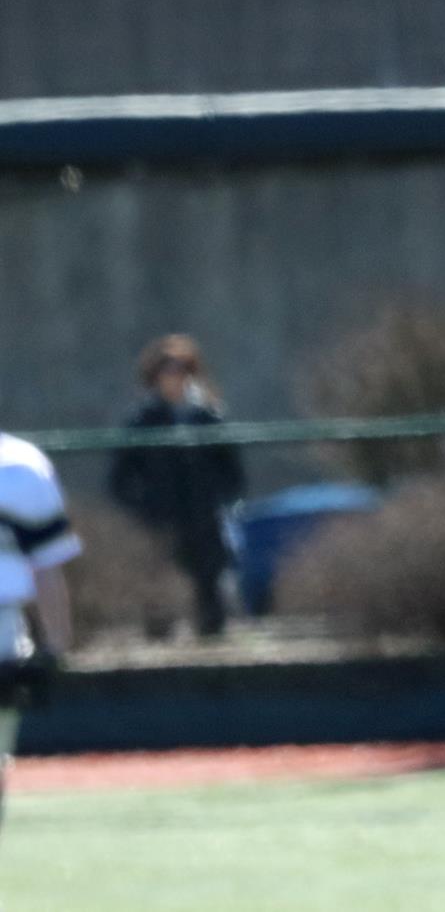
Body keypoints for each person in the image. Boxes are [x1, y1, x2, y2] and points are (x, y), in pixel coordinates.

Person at [109, 334, 245, 637]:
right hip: (161, 518)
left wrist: (219, 499)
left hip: (204, 516)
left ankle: (211, 636)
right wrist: (143, 505)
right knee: (161, 586)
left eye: (181, 370)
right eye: (167, 371)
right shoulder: (143, 421)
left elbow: (231, 470)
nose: (174, 378)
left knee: (208, 580)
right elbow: (120, 477)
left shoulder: (208, 417)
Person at [1, 431, 82, 837]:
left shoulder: (17, 465)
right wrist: (55, 645)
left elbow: (48, 563)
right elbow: (48, 565)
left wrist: (55, 646)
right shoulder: (17, 463)